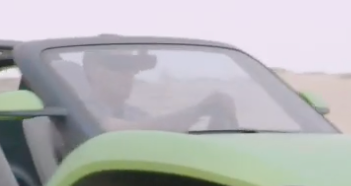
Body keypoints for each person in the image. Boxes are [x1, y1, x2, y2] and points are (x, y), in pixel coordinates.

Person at [75, 46, 236, 132]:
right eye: (120, 65)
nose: (129, 73)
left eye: (132, 66)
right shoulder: (80, 113)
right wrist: (199, 110)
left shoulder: (137, 115)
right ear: (93, 69)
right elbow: (126, 132)